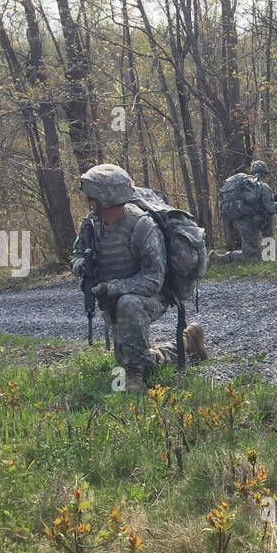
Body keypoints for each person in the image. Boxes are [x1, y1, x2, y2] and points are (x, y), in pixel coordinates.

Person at [71, 164, 167, 394]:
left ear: (103, 199)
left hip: (149, 298)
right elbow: (76, 254)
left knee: (128, 306)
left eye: (91, 197)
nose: (87, 201)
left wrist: (115, 288)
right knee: (127, 356)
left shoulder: (142, 227)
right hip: (112, 299)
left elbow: (154, 279)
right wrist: (81, 266)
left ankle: (135, 377)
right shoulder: (91, 225)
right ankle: (185, 346)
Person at [215, 160, 277, 264]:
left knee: (250, 252)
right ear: (264, 173)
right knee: (251, 255)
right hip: (255, 220)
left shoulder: (244, 185)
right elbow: (271, 208)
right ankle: (269, 257)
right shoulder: (263, 186)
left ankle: (222, 257)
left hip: (240, 219)